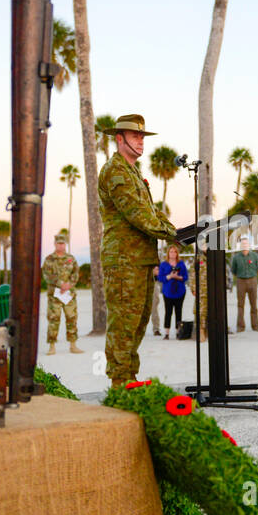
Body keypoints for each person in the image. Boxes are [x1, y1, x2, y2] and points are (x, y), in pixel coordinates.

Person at [97, 114, 176, 387]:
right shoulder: (115, 171)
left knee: (138, 322)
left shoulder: (133, 172)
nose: (141, 141)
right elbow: (138, 215)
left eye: (142, 137)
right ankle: (120, 385)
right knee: (123, 325)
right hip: (123, 261)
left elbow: (152, 212)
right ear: (119, 139)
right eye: (135, 136)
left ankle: (129, 379)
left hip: (140, 259)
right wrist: (172, 234)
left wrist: (176, 230)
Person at [41, 230, 83, 355]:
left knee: (72, 318)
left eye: (63, 243)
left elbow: (76, 272)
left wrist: (69, 284)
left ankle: (73, 345)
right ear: (55, 244)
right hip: (55, 295)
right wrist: (61, 284)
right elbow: (47, 275)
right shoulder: (49, 259)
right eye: (58, 243)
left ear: (65, 244)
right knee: (54, 320)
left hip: (69, 294)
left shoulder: (71, 259)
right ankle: (52, 346)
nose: (61, 246)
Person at [228, 235, 258, 332]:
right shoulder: (236, 257)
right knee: (240, 305)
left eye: (246, 243)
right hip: (241, 281)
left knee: (254, 305)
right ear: (240, 245)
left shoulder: (254, 256)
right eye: (243, 244)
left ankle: (255, 326)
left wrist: (252, 276)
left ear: (249, 245)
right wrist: (240, 276)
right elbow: (233, 270)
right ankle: (240, 327)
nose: (244, 245)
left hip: (252, 280)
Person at [155, 244, 188, 340]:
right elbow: (160, 278)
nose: (173, 253)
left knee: (178, 312)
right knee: (168, 312)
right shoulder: (164, 264)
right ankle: (167, 333)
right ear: (168, 253)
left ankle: (178, 332)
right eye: (171, 252)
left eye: (174, 252)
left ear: (177, 253)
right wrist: (169, 276)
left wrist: (177, 277)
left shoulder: (181, 264)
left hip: (180, 291)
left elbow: (185, 277)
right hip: (168, 292)